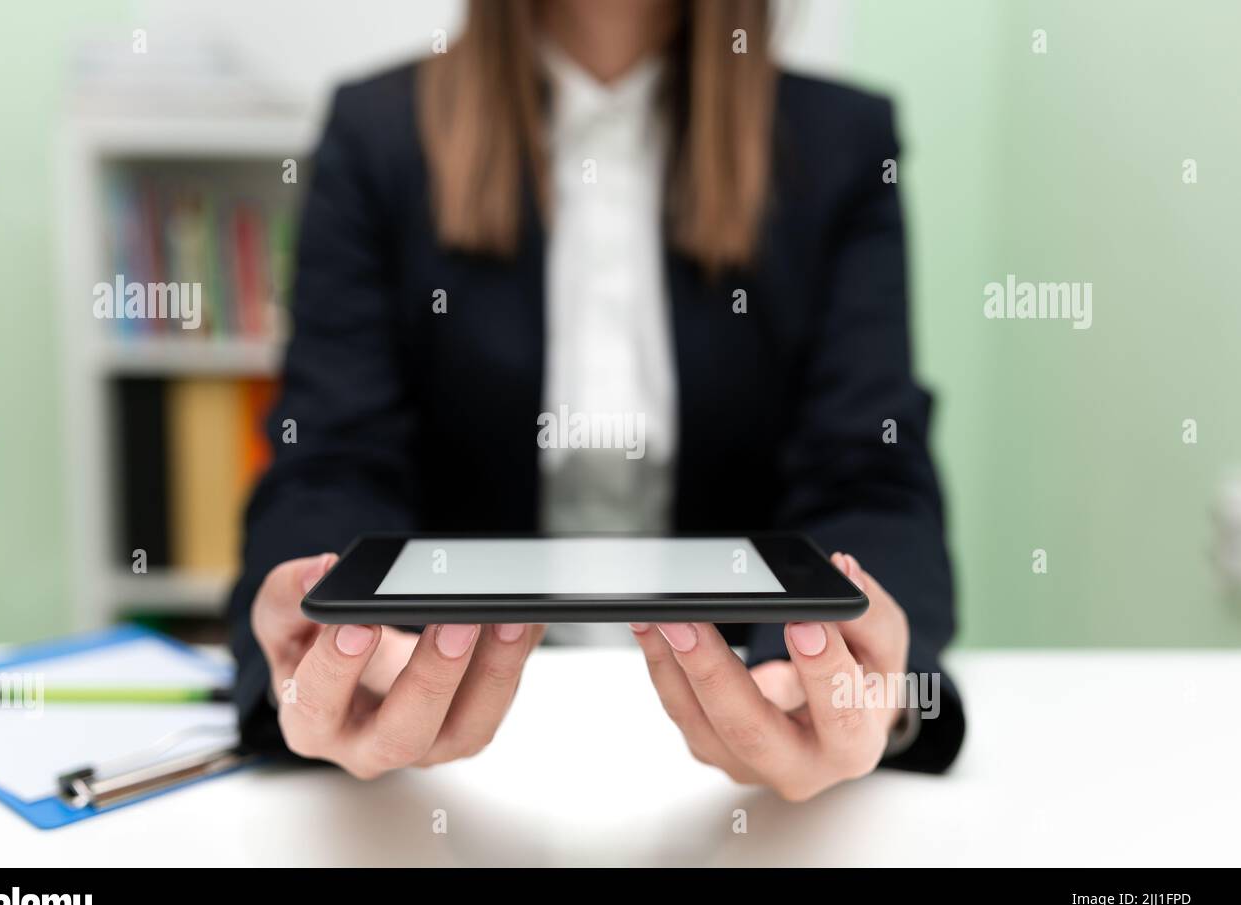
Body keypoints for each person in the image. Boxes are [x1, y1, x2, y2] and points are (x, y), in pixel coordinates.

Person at [229, 0, 965, 802]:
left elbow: (868, 474)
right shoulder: (377, 133)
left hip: (732, 765)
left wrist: (869, 689)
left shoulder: (840, 144)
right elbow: (330, 461)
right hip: (462, 769)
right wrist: (313, 666)